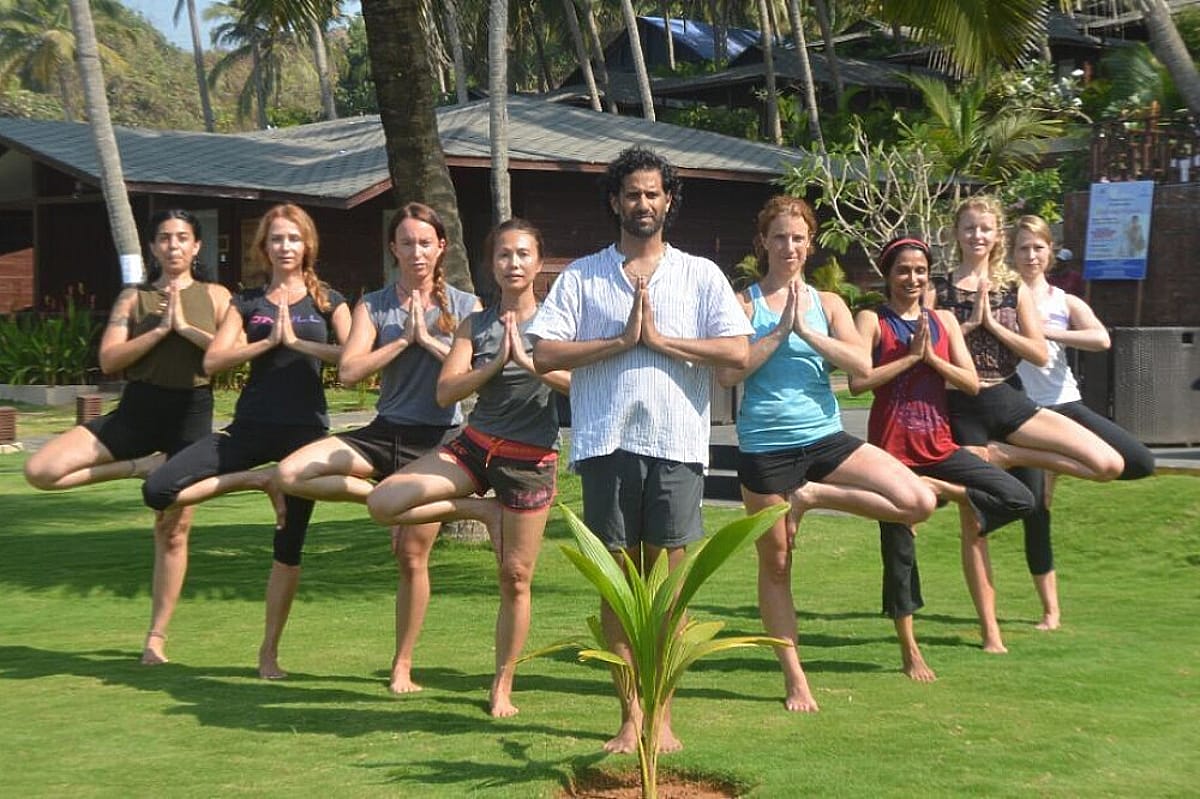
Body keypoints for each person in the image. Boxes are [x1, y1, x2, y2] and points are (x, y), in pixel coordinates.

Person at [528, 146, 752, 753]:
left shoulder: (700, 274)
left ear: (668, 201)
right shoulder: (582, 275)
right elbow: (544, 352)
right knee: (618, 588)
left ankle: (663, 714)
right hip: (607, 444)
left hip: (678, 445)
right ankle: (628, 717)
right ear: (614, 202)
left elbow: (736, 354)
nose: (643, 203)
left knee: (670, 588)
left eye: (653, 193)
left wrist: (662, 340)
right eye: (632, 194)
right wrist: (621, 340)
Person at [715, 196, 936, 710]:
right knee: (776, 565)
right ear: (763, 242)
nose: (788, 246)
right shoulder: (743, 303)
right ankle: (795, 678)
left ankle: (813, 496)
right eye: (779, 237)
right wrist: (776, 332)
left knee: (917, 502)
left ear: (808, 244)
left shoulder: (830, 304)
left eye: (797, 238)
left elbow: (860, 364)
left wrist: (806, 329)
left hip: (826, 439)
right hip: (766, 447)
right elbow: (727, 373)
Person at [365, 218, 569, 717]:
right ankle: (482, 512)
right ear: (491, 264)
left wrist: (532, 360)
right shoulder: (475, 325)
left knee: (515, 577)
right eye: (503, 255)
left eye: (523, 254)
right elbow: (446, 390)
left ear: (539, 263)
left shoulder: (557, 323)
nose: (513, 263)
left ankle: (502, 685)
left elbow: (582, 385)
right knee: (383, 502)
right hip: (474, 448)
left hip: (529, 463)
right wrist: (494, 364)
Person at [140, 204, 351, 676]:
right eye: (276, 239)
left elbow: (355, 360)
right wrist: (265, 343)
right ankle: (261, 480)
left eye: (293, 239)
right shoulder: (246, 302)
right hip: (249, 428)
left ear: (307, 245)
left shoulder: (329, 300)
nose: (284, 247)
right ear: (264, 247)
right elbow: (215, 361)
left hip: (305, 433)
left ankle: (268, 654)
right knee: (158, 490)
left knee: (288, 548)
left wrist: (298, 343)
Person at [276, 202, 479, 692]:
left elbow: (471, 387)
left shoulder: (466, 306)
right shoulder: (375, 304)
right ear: (393, 248)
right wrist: (399, 342)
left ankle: (402, 665)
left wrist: (427, 339)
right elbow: (349, 372)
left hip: (437, 441)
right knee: (290, 474)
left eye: (425, 242)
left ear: (441, 247)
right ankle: (387, 499)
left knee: (412, 557)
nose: (416, 252)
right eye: (406, 242)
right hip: (383, 432)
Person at [24, 209, 231, 665]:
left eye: (182, 238)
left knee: (172, 531)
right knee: (41, 469)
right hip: (138, 410)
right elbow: (111, 359)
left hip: (191, 415)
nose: (173, 246)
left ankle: (156, 638)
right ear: (154, 247)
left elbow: (227, 359)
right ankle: (142, 467)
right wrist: (159, 330)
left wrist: (184, 329)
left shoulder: (217, 296)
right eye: (164, 238)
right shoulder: (132, 298)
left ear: (196, 247)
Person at [935, 196, 1123, 653]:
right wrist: (969, 325)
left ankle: (1008, 456)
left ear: (997, 235)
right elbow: (928, 353)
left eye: (985, 228)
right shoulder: (937, 289)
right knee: (974, 526)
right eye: (969, 228)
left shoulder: (1011, 288)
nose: (977, 236)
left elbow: (1039, 352)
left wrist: (992, 326)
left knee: (1108, 462)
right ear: (956, 233)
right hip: (962, 407)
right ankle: (990, 631)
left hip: (1009, 399)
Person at [850, 236, 1035, 682]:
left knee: (1019, 497)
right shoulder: (873, 320)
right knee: (900, 555)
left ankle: (942, 491)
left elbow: (970, 382)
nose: (912, 279)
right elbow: (858, 382)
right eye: (903, 271)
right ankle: (909, 649)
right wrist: (908, 358)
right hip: (892, 451)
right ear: (888, 275)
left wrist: (931, 358)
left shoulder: (944, 320)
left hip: (939, 446)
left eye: (919, 271)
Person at [1011, 215, 1155, 630]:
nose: (1031, 255)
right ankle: (1051, 612)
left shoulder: (1063, 301)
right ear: (1013, 254)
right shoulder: (1005, 296)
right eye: (1023, 248)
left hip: (1066, 405)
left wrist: (1051, 336)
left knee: (1138, 461)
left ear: (1049, 252)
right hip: (1026, 412)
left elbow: (1101, 338)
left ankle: (1056, 462)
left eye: (1038, 247)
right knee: (1036, 511)